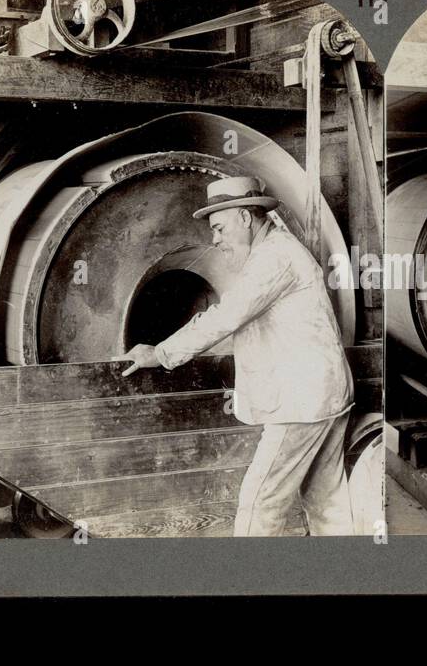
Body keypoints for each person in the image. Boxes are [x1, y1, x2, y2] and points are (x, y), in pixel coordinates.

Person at [115, 176, 356, 537]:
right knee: (326, 503)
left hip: (303, 402)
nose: (214, 239)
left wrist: (161, 352)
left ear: (245, 217)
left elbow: (225, 317)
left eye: (219, 228)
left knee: (261, 504)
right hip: (325, 395)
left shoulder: (274, 258)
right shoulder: (277, 249)